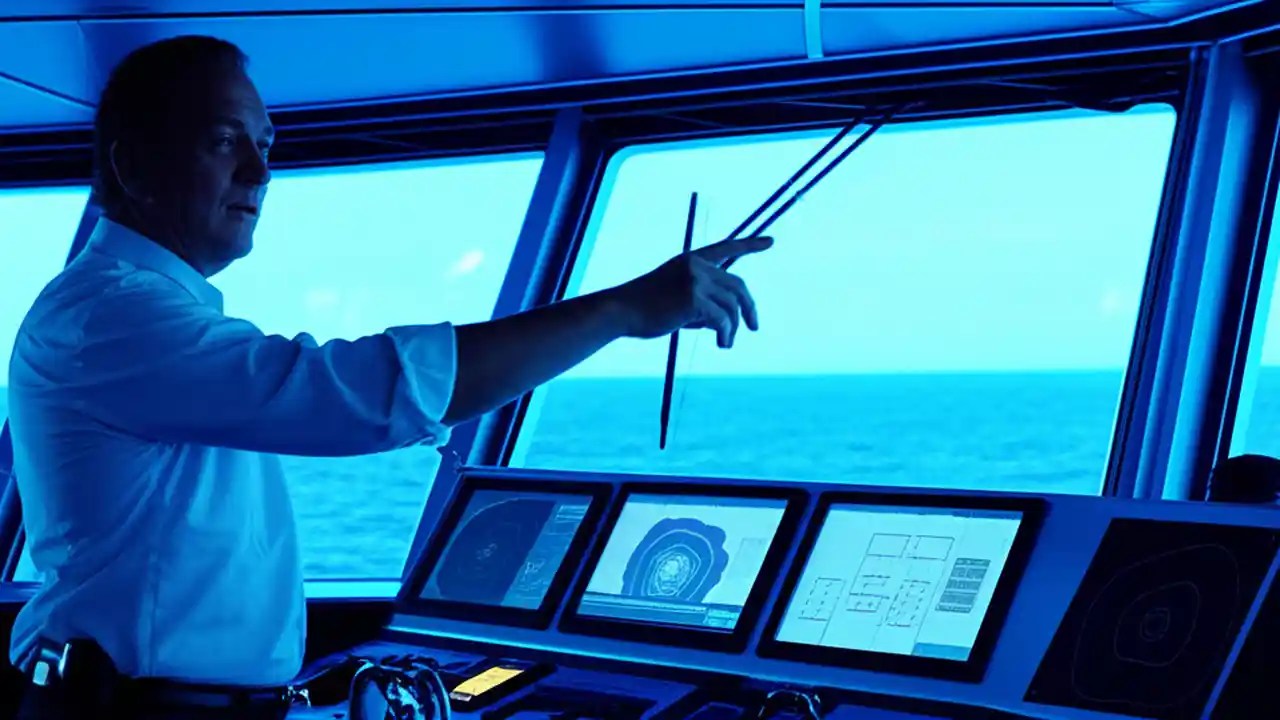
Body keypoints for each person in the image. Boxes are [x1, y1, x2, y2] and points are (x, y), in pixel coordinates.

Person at [7, 35, 772, 719]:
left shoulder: (141, 315)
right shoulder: (110, 319)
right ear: (134, 166)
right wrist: (624, 310)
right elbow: (358, 395)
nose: (261, 171)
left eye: (267, 144)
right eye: (223, 142)